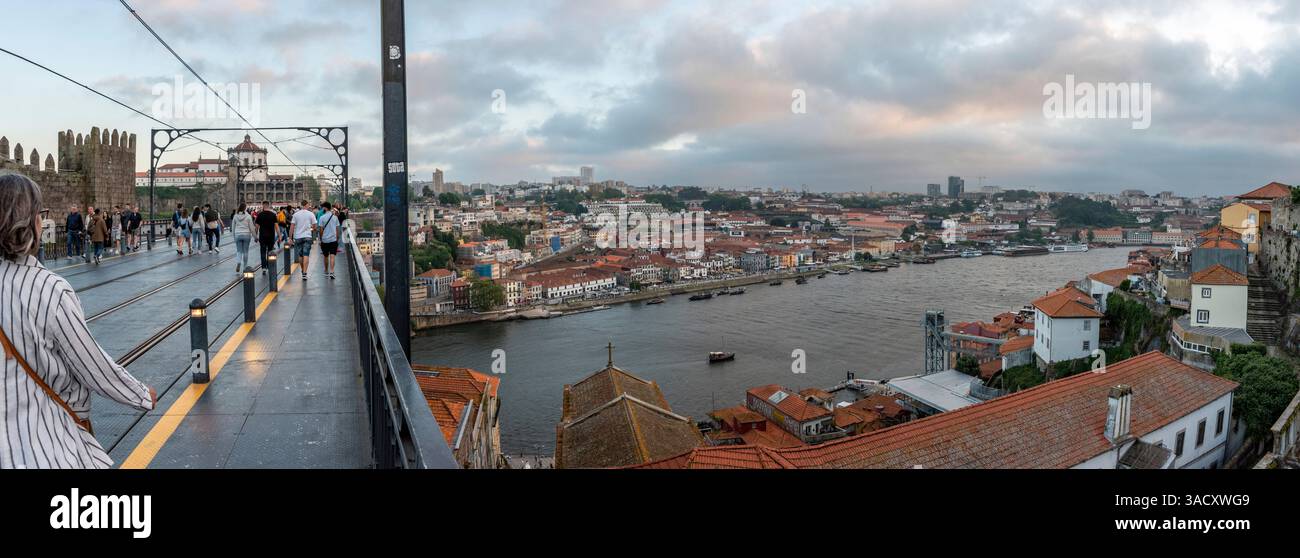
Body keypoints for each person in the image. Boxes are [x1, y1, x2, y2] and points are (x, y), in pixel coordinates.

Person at [0, 172, 157, 469]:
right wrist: (140, 395)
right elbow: (91, 365)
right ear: (32, 223)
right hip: (42, 444)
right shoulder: (49, 290)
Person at [289, 200, 317, 281]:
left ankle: (303, 270)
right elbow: (315, 226)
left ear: (301, 205)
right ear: (307, 205)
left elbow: (292, 227)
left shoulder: (296, 214)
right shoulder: (311, 214)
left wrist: (290, 238)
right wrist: (311, 229)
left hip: (298, 237)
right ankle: (304, 273)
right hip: (307, 236)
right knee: (306, 254)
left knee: (300, 255)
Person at [316, 202, 341, 279]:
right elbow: (337, 230)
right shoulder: (335, 218)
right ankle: (332, 272)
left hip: (325, 240)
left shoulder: (322, 218)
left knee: (326, 256)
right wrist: (337, 239)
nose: (322, 209)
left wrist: (320, 240)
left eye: (323, 207)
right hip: (333, 240)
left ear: (325, 208)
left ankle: (326, 270)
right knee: (332, 256)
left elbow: (320, 230)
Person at [254, 201, 279, 274]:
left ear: (263, 205)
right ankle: (268, 265)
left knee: (262, 252)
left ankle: (264, 268)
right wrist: (279, 235)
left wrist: (255, 236)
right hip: (271, 236)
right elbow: (276, 226)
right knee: (270, 251)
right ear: (269, 205)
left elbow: (257, 227)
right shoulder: (273, 215)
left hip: (262, 236)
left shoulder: (260, 215)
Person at [231, 202, 255, 273]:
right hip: (246, 235)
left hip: (238, 234)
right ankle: (245, 266)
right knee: (245, 251)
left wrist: (234, 236)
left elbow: (233, 227)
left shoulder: (235, 216)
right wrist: (255, 236)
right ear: (245, 208)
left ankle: (238, 262)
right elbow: (251, 227)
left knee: (239, 251)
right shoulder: (248, 216)